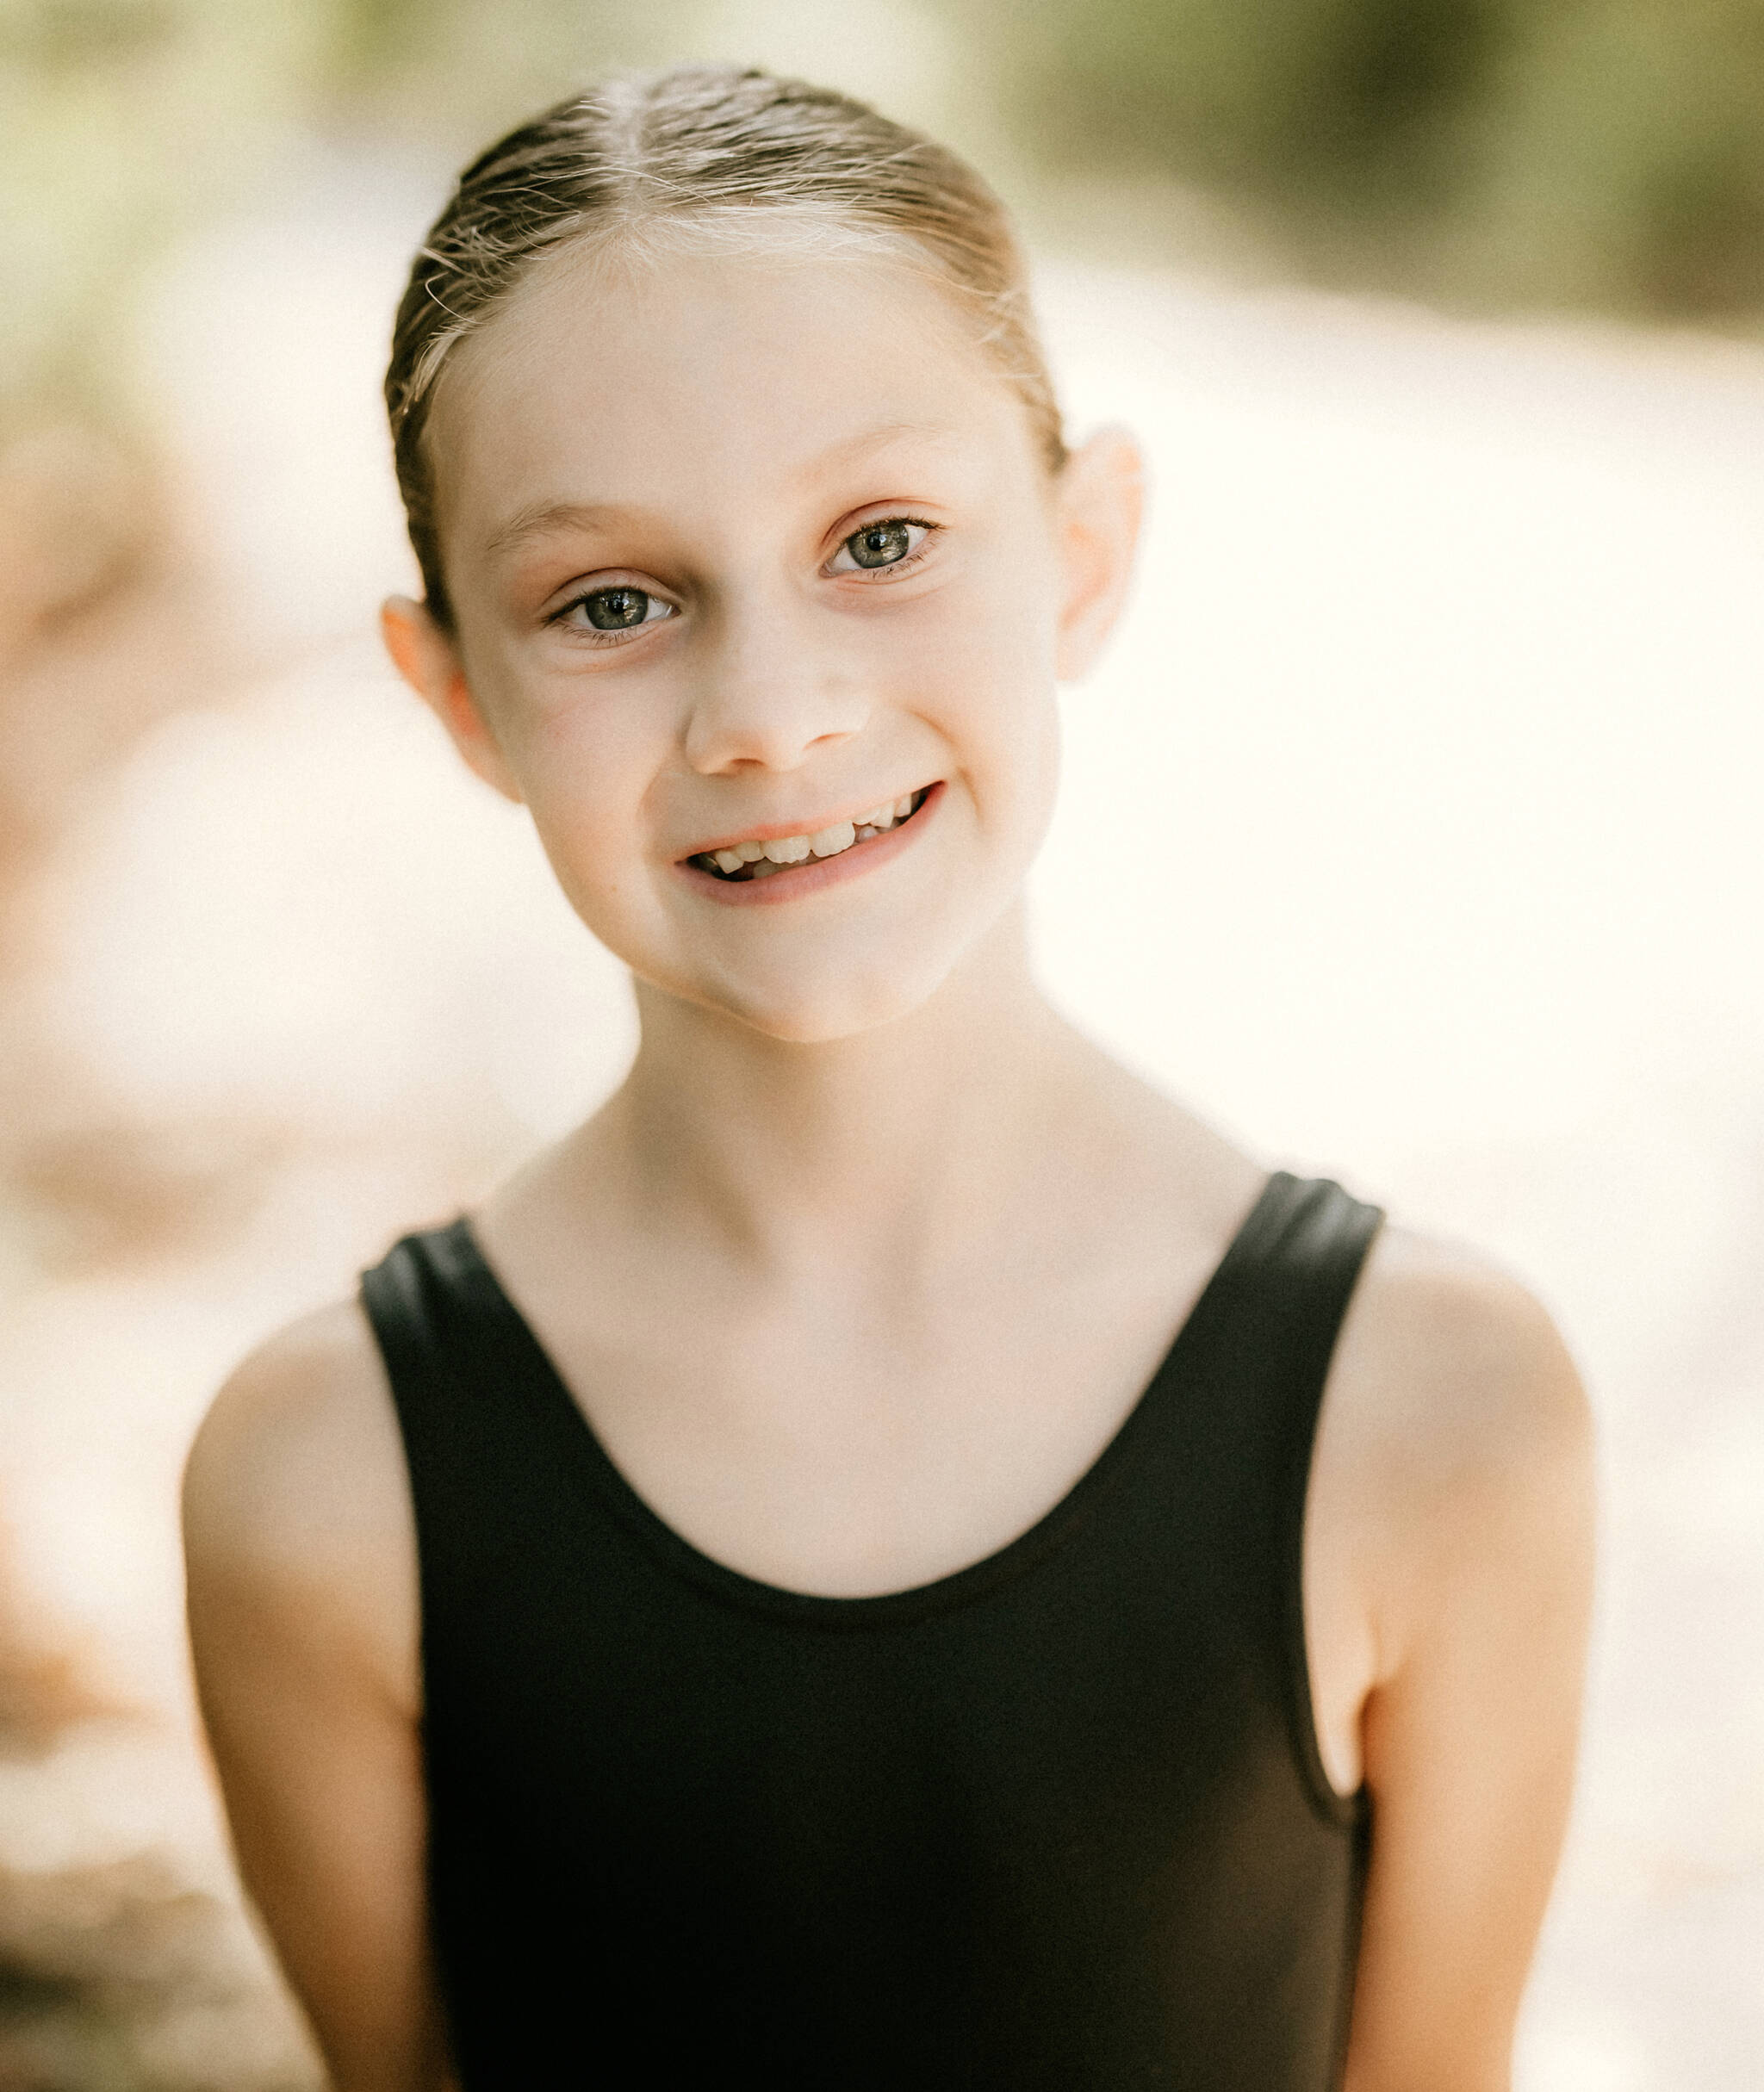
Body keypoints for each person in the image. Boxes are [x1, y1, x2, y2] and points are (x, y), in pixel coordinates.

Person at [181, 65, 1595, 2092]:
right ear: (458, 698)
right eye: (610, 601)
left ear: (1084, 551)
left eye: (879, 539)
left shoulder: (1432, 1412)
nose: (769, 712)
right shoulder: (324, 1487)